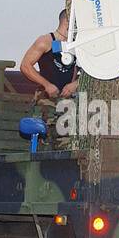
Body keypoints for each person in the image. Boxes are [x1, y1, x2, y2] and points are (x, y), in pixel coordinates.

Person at [20, 9, 78, 149]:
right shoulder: (45, 41)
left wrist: (75, 84)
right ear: (67, 22)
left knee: (66, 145)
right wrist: (46, 85)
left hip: (67, 101)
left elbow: (86, 70)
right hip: (46, 101)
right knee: (42, 143)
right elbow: (25, 66)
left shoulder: (77, 44)